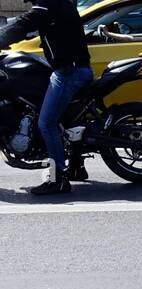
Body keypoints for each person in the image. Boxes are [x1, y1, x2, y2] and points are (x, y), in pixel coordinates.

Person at [0, 0, 93, 195]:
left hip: (69, 72)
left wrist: (2, 38)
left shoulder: (49, 3)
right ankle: (76, 165)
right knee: (59, 118)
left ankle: (58, 179)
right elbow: (26, 24)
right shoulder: (56, 5)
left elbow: (24, 23)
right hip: (74, 68)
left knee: (47, 123)